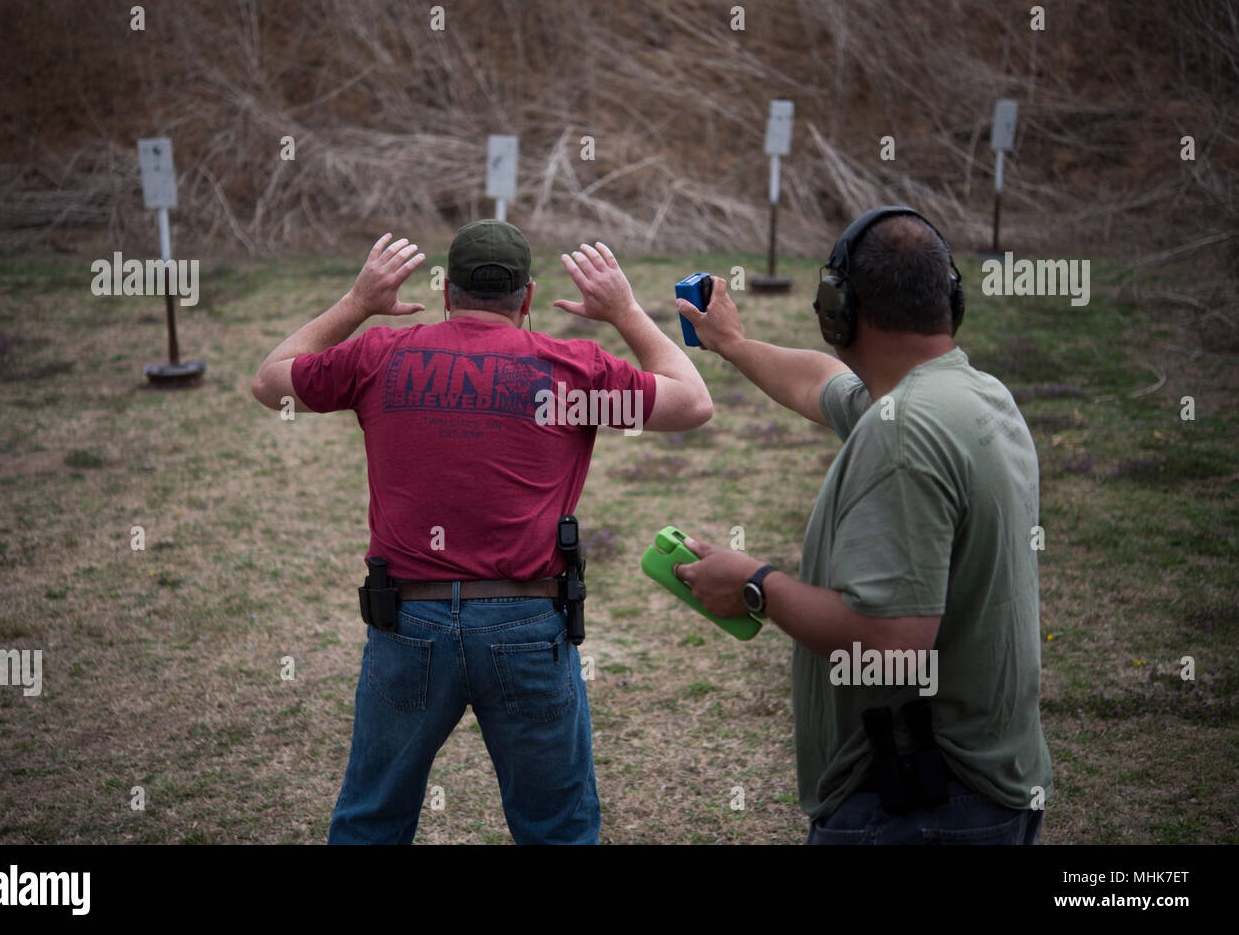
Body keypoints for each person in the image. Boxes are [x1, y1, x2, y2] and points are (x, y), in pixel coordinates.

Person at [251, 220, 712, 843]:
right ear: (527, 298)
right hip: (527, 623)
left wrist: (358, 303)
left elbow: (269, 380)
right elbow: (692, 402)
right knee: (557, 828)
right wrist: (626, 311)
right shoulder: (571, 372)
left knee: (370, 822)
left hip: (406, 622)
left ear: (446, 292)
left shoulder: (379, 354)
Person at [673, 206, 1053, 844]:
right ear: (947, 297)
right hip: (988, 778)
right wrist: (733, 344)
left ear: (839, 308)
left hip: (919, 799)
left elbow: (892, 646)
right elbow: (822, 381)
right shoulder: (972, 393)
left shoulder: (902, 434)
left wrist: (753, 585)